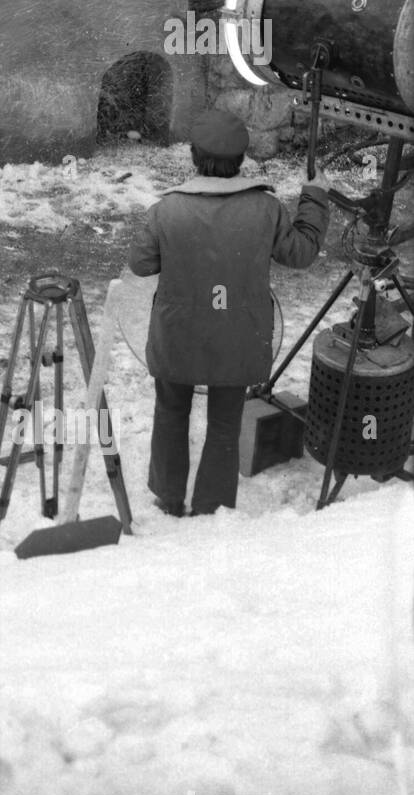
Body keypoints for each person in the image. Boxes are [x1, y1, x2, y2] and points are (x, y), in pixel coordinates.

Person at [127, 109, 329, 516]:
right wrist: (314, 197)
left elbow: (140, 264)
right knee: (224, 422)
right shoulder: (265, 209)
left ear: (193, 155)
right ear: (242, 159)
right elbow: (301, 252)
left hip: (178, 334)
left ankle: (168, 497)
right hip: (238, 336)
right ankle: (211, 509)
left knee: (170, 411)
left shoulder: (165, 211)